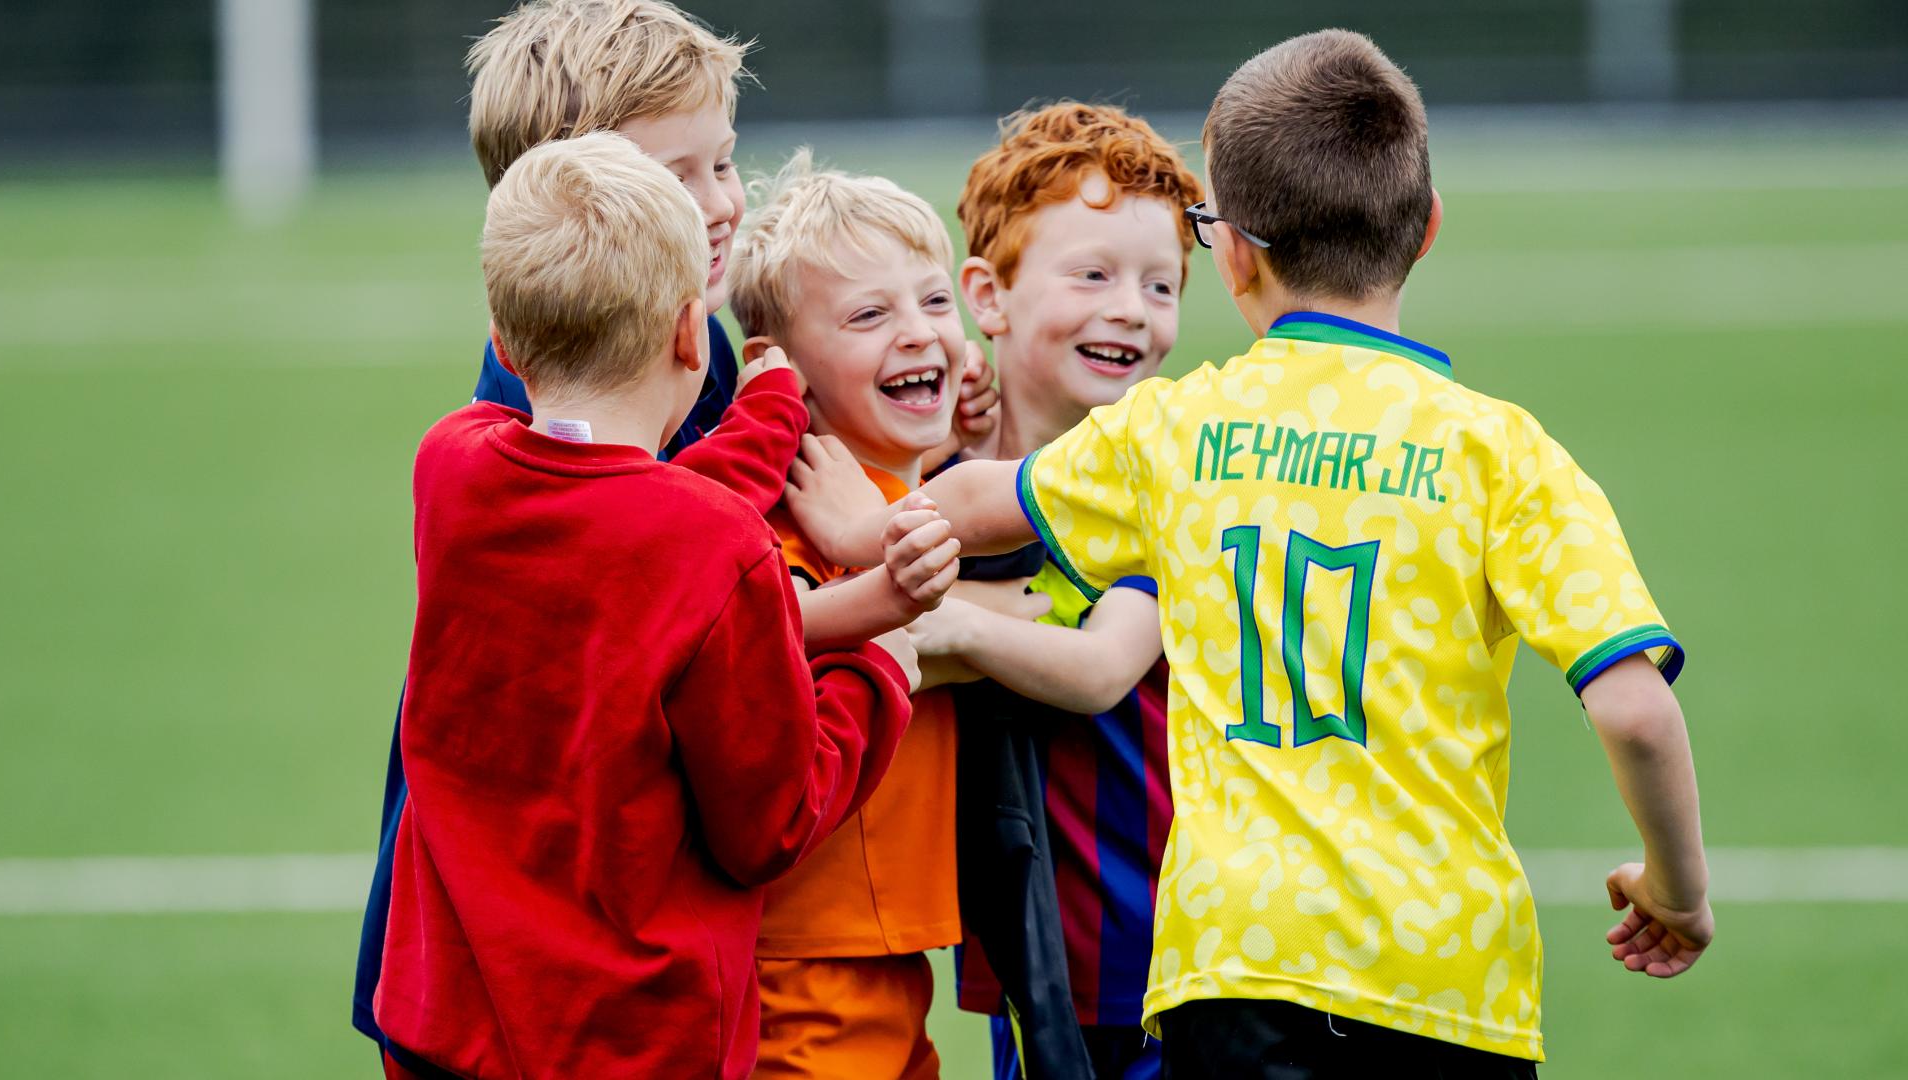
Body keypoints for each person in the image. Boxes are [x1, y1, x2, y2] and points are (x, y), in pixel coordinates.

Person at [815, 30, 1712, 1076]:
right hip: (1448, 975)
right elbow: (1636, 709)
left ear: (1229, 252)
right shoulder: (1502, 452)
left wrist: (850, 532)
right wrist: (1677, 892)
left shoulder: (1180, 429)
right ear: (1426, 231)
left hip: (1230, 962)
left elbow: (977, 503)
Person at [352, 2, 995, 1057]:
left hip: (464, 967)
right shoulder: (573, 400)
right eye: (675, 178)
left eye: (723, 165)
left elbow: (699, 525)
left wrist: (832, 409)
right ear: (567, 199)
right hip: (570, 968)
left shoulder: (478, 437)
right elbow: (698, 604)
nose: (718, 207)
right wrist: (883, 628)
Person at [919, 101, 1204, 1080]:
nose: (1131, 306)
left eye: (1160, 284)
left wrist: (932, 628)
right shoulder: (940, 469)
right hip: (1022, 942)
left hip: (1152, 956)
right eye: (1093, 274)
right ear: (986, 298)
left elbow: (1098, 671)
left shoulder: (1165, 479)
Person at [726, 152, 969, 1079]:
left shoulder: (909, 488)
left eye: (935, 303)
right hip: (808, 964)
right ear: (778, 367)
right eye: (870, 316)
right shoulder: (782, 521)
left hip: (883, 955)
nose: (919, 335)